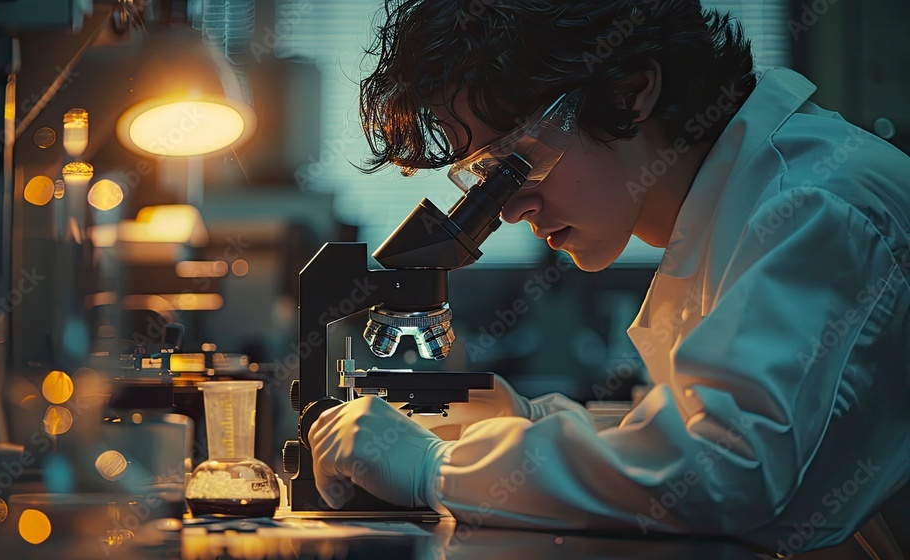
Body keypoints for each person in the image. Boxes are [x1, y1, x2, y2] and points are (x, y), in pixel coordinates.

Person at [307, 0, 910, 554]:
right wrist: (529, 423)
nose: (512, 210)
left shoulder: (810, 205)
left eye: (517, 164)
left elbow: (726, 472)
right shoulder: (740, 201)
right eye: (483, 178)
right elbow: (712, 430)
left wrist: (433, 469)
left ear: (630, 91)